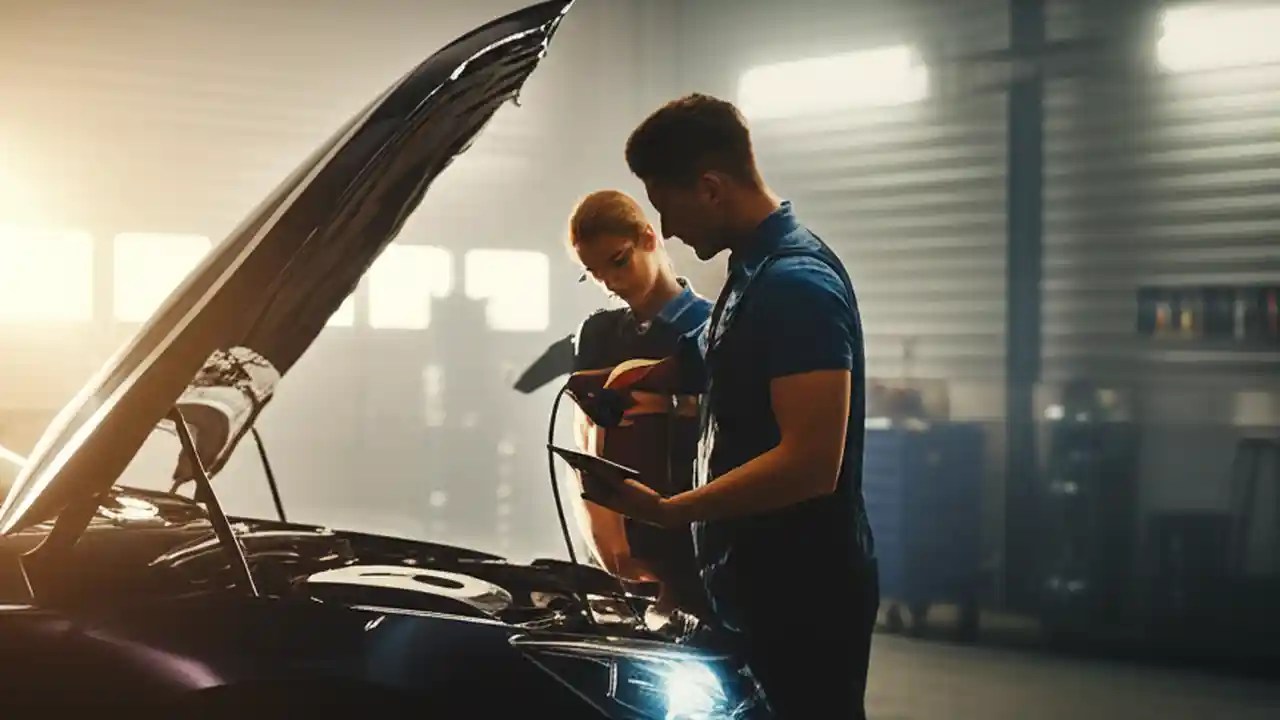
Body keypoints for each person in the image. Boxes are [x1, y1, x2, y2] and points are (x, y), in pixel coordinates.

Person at [580, 94, 879, 718]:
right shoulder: (752, 274)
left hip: (804, 597)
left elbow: (810, 462)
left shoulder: (797, 285)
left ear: (711, 188)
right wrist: (635, 376)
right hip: (753, 586)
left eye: (668, 210)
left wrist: (670, 512)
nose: (667, 234)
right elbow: (711, 352)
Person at [563, 188, 713, 628]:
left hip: (695, 531)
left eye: (618, 261)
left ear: (650, 238)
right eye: (593, 273)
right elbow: (586, 440)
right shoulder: (596, 333)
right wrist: (606, 543)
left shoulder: (712, 327)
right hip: (615, 538)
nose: (610, 282)